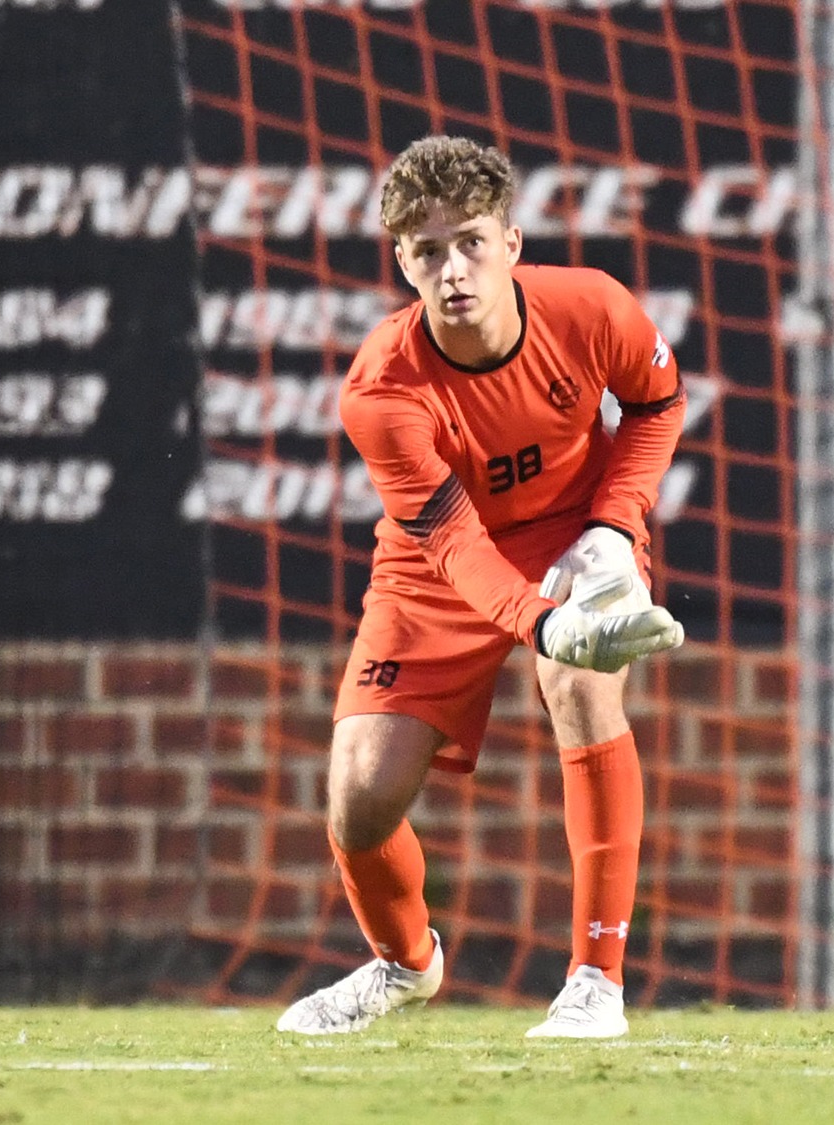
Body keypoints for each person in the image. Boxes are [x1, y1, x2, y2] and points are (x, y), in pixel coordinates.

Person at [274, 135, 687, 1039]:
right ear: (401, 263)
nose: (452, 269)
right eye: (428, 252)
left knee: (583, 691)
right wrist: (540, 623)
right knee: (358, 799)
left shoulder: (590, 308)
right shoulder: (380, 390)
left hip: (572, 529)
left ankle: (596, 982)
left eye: (469, 241)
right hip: (432, 568)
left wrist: (615, 524)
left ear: (512, 242)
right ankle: (403, 963)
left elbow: (657, 405)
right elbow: (454, 546)